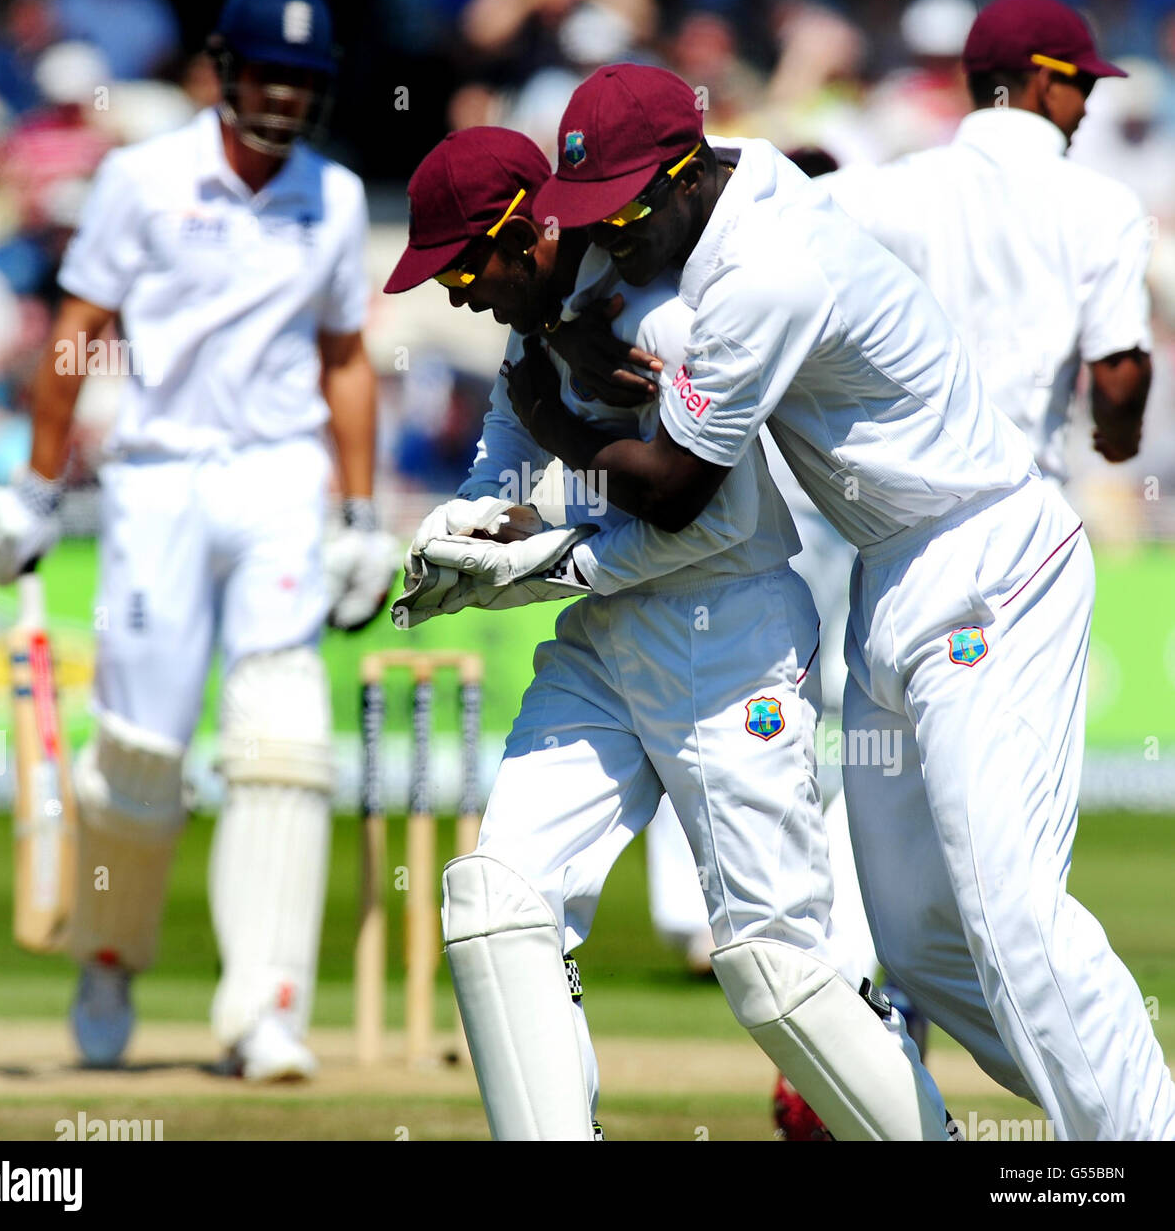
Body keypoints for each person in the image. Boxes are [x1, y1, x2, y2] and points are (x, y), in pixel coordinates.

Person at [443, 61, 1175, 1140]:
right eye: (599, 215)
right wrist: (570, 342)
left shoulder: (767, 267)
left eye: (631, 213)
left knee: (1008, 917)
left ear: (691, 172)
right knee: (918, 942)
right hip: (887, 574)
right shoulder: (749, 198)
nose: (619, 238)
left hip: (985, 557)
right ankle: (1115, 1123)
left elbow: (678, 492)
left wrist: (550, 404)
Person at [384, 125, 951, 1142]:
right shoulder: (536, 309)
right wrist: (458, 528)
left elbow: (711, 522)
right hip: (606, 640)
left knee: (775, 973)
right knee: (494, 899)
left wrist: (539, 565)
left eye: (464, 268)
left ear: (524, 232)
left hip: (729, 638)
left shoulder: (668, 315)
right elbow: (508, 446)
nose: (459, 297)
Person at [0, 0, 397, 1080]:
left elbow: (344, 356)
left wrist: (356, 511)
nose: (287, 97)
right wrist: (38, 485)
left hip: (280, 482)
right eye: (270, 75)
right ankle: (108, 953)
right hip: (158, 479)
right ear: (223, 69)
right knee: (142, 756)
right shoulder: (142, 178)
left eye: (306, 81)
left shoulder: (334, 198)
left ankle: (266, 1012)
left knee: (283, 740)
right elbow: (78, 332)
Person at [823, 0, 1153, 484]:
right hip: (1025, 516)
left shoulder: (881, 190)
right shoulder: (1103, 204)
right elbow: (1119, 381)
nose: (1087, 106)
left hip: (897, 528)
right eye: (1083, 83)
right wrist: (1120, 436)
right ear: (1045, 83)